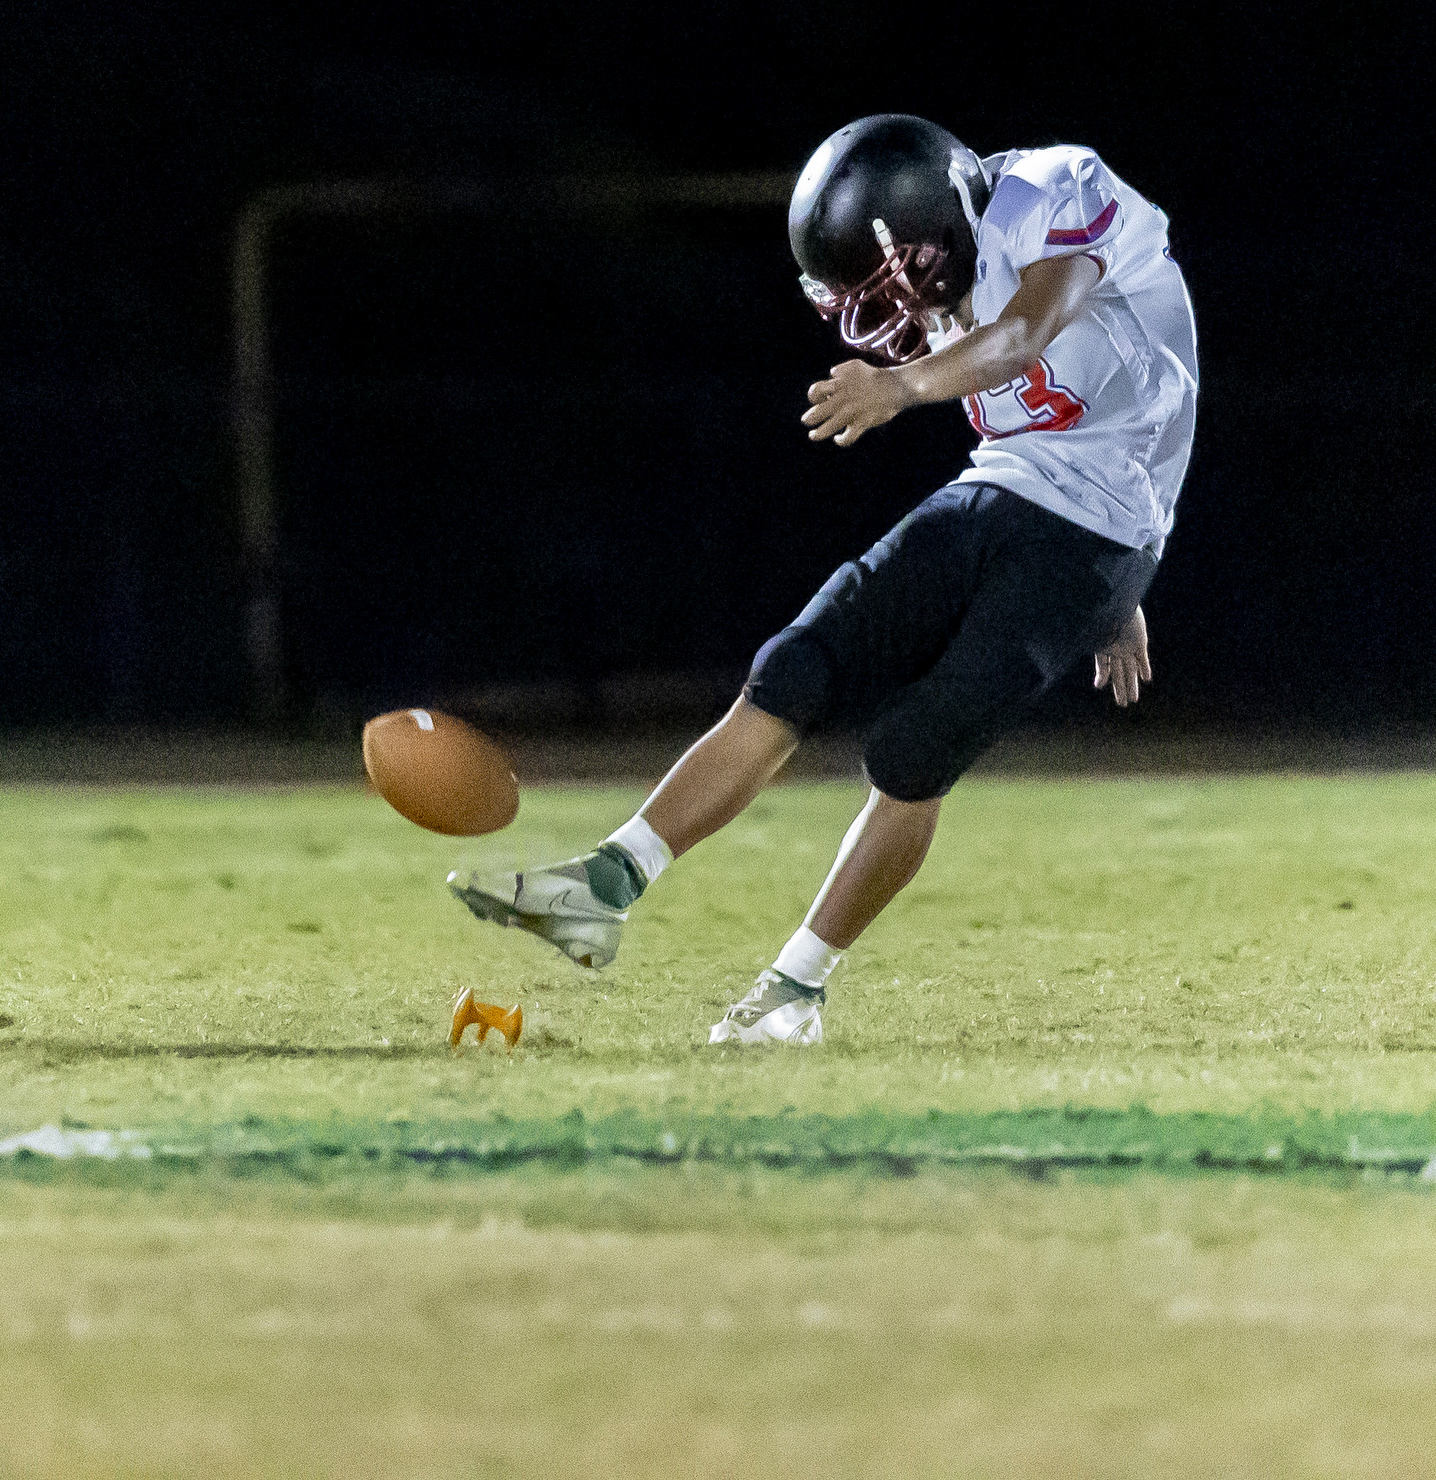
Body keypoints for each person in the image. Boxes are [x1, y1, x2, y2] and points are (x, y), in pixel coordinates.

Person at [451, 113, 1197, 1046]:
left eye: (902, 276)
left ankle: (796, 988)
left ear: (945, 218)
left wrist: (903, 391)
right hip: (1006, 484)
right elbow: (1020, 404)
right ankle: (601, 887)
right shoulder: (954, 249)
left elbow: (1022, 337)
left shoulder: (1052, 188)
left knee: (916, 749)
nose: (899, 307)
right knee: (799, 664)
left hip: (1100, 532)